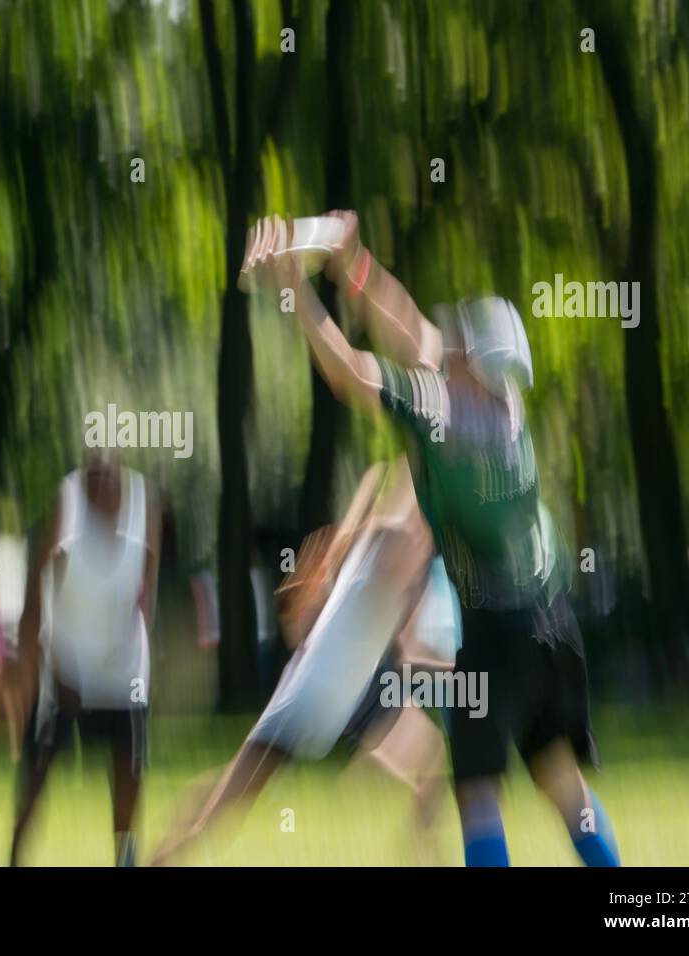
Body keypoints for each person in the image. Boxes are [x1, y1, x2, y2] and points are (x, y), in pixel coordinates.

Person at [244, 212, 620, 867]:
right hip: (554, 628)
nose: (445, 350)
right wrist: (350, 261)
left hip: (496, 636)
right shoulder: (508, 409)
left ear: (468, 360)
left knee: (477, 798)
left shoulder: (438, 415)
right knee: (564, 785)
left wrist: (294, 291)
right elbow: (412, 331)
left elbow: (350, 374)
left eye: (458, 349)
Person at [148, 459, 457, 866]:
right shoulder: (399, 545)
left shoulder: (379, 539)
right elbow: (400, 638)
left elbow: (308, 618)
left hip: (347, 690)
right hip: (313, 697)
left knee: (428, 769)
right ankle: (156, 861)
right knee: (221, 812)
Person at [7, 456, 160, 867]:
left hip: (124, 674)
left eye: (112, 480)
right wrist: (48, 665)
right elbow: (34, 596)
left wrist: (140, 654)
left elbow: (148, 586)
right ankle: (14, 857)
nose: (105, 489)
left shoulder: (144, 509)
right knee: (37, 773)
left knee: (129, 773)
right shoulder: (67, 513)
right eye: (95, 480)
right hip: (66, 671)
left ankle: (126, 860)